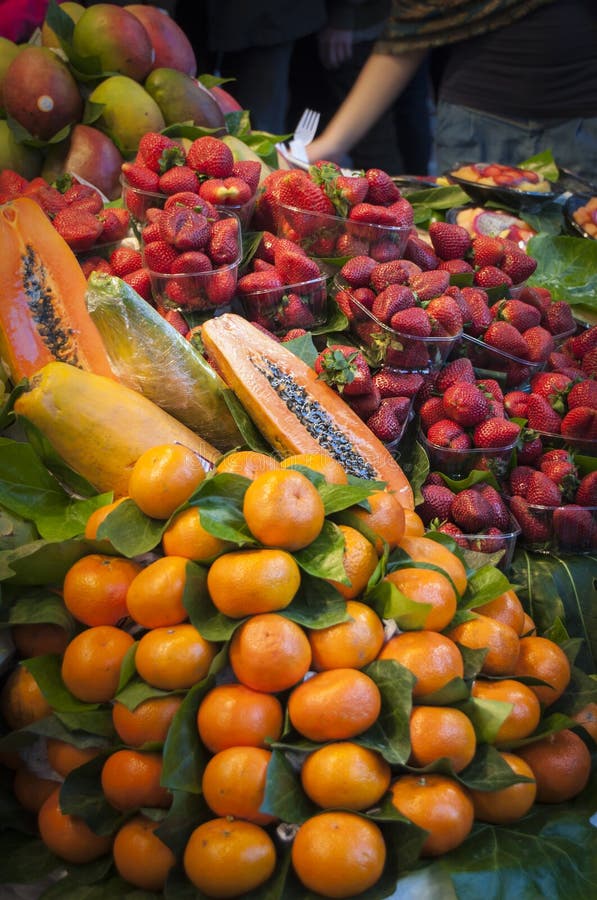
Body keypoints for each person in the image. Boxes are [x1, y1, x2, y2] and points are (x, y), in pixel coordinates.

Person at [306, 0, 597, 181]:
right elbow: (408, 34)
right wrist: (332, 144)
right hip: (475, 127)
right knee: (468, 265)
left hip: (582, 129)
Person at [176, 0, 327, 135]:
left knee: (262, 123)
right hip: (197, 21)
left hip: (268, 22)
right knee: (197, 119)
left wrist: (343, 15)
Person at [315, 0, 432, 174]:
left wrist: (344, 13)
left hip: (367, 25)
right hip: (400, 28)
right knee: (410, 117)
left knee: (380, 142)